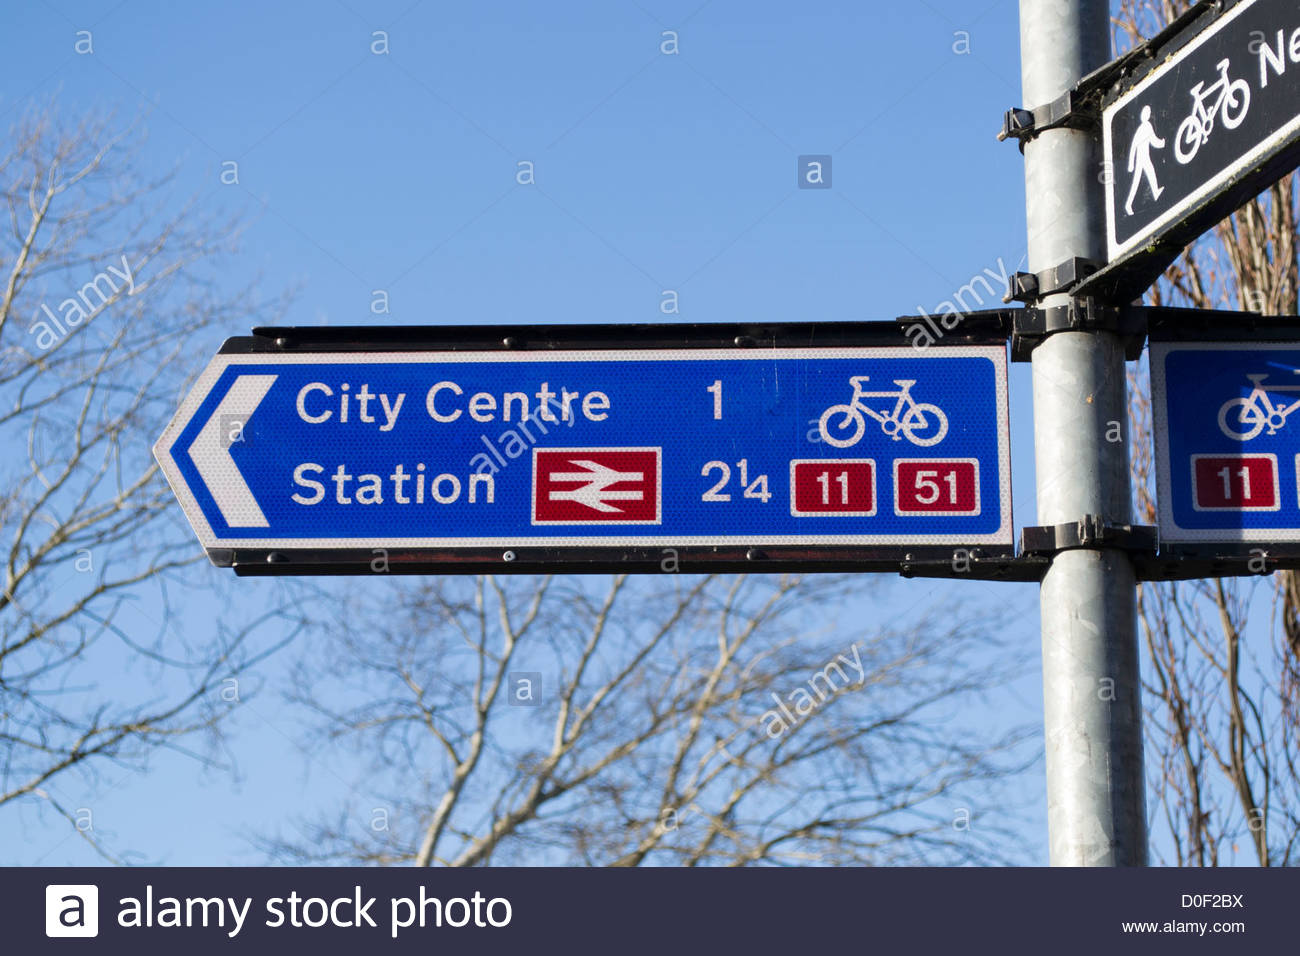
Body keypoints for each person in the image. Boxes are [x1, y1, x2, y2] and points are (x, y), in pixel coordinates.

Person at [1124, 105, 1165, 216]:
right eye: (1144, 113)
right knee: (1136, 182)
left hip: (1145, 157)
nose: (1145, 115)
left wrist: (1162, 143)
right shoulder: (1143, 128)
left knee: (1150, 173)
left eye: (1147, 113)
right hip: (1140, 158)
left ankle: (1155, 192)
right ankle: (1128, 204)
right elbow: (1133, 146)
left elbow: (1153, 140)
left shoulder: (1147, 126)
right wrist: (1131, 163)